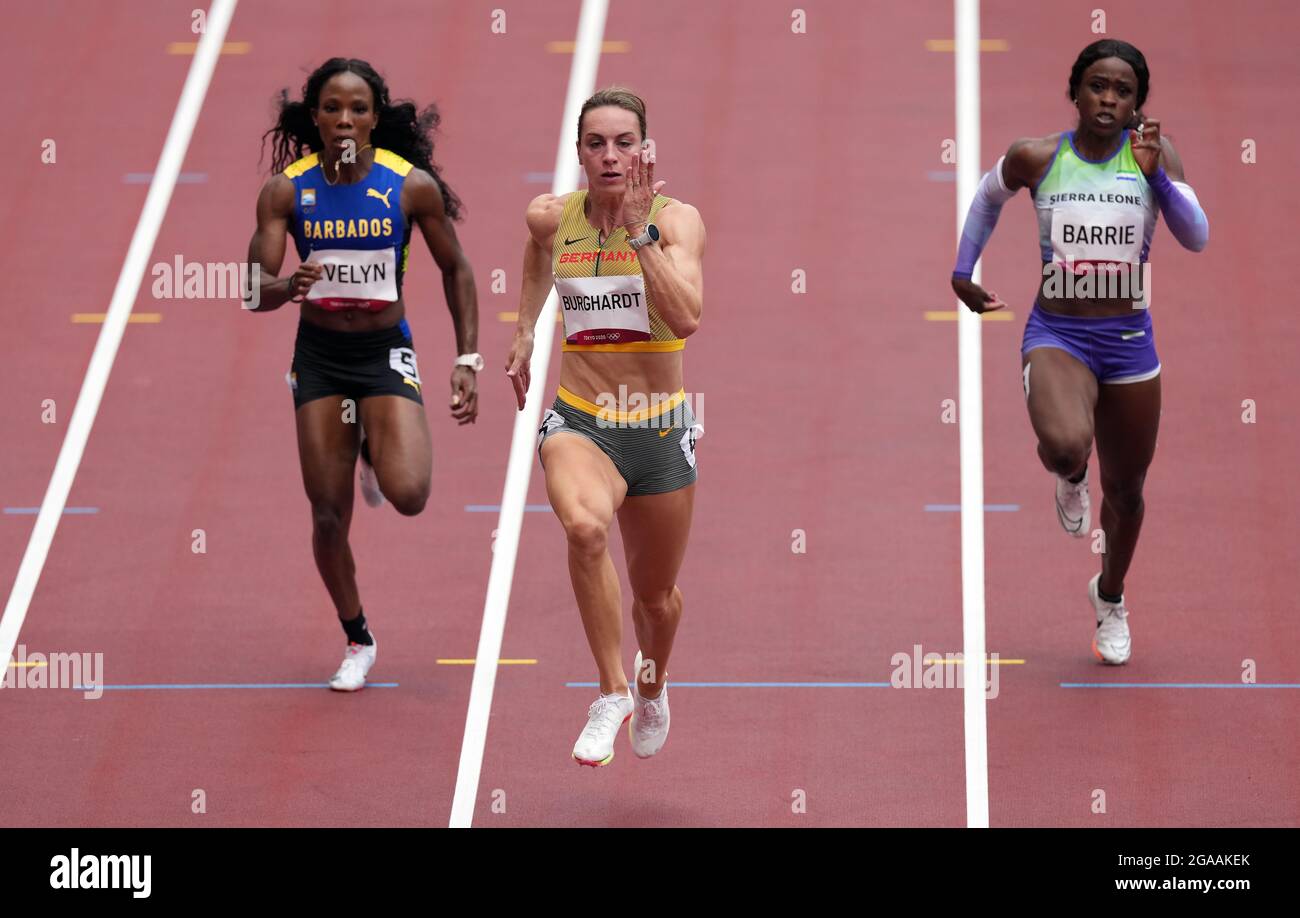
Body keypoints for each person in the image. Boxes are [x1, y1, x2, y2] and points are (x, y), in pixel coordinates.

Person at [952, 40, 1208, 664]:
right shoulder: (1038, 157)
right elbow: (988, 197)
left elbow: (1197, 237)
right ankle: (1070, 476)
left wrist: (1157, 176)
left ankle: (1110, 597)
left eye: (1123, 91)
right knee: (1068, 445)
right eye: (1097, 86)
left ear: (1137, 103)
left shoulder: (1155, 157)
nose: (1108, 99)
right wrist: (963, 269)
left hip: (1129, 345)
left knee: (1127, 493)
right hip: (1058, 334)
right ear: (1075, 92)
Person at [245, 58, 481, 690]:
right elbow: (252, 290)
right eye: (332, 108)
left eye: (357, 109)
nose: (344, 119)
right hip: (320, 358)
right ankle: (358, 637)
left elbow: (456, 269)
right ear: (315, 118)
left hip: (382, 353)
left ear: (376, 117)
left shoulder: (409, 186)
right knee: (328, 515)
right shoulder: (286, 192)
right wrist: (286, 286)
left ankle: (373, 448)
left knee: (410, 495)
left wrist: (467, 358)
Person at [506, 88, 706, 764]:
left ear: (646, 151)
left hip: (657, 429)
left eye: (625, 143)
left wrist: (640, 235)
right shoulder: (551, 216)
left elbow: (686, 317)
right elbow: (537, 252)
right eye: (597, 144)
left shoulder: (677, 224)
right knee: (586, 529)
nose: (611, 156)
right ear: (580, 153)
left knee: (657, 601)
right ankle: (611, 690)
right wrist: (526, 329)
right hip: (581, 419)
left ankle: (651, 685)